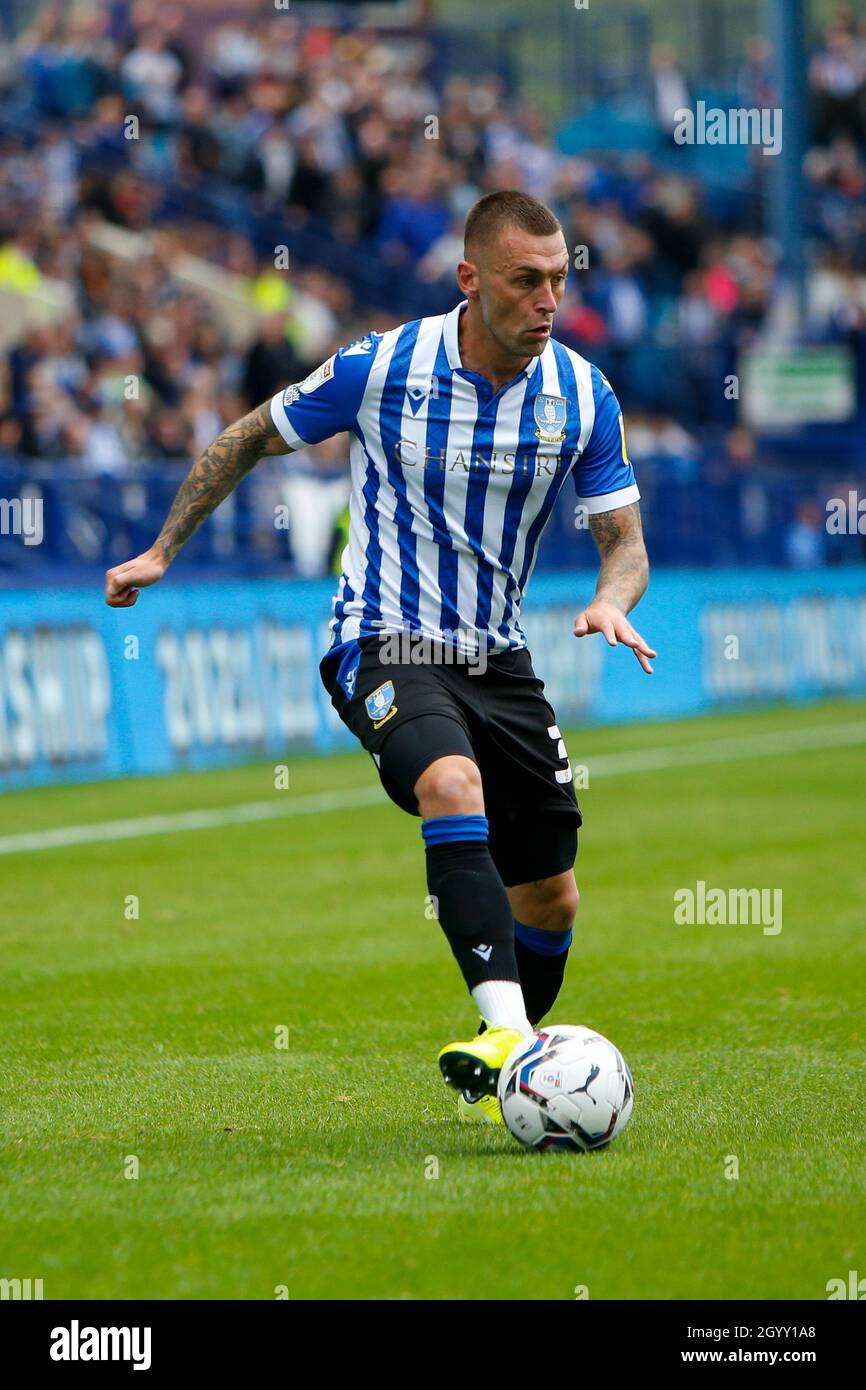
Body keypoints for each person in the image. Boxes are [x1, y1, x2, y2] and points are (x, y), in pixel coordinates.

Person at [104, 190, 655, 1124]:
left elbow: (625, 540)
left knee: (553, 900)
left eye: (559, 280)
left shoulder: (582, 393)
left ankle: (506, 1068)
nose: (547, 300)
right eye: (526, 281)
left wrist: (611, 597)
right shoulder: (385, 364)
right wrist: (163, 550)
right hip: (383, 638)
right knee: (450, 784)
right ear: (471, 280)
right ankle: (513, 1044)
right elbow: (246, 438)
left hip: (499, 657)